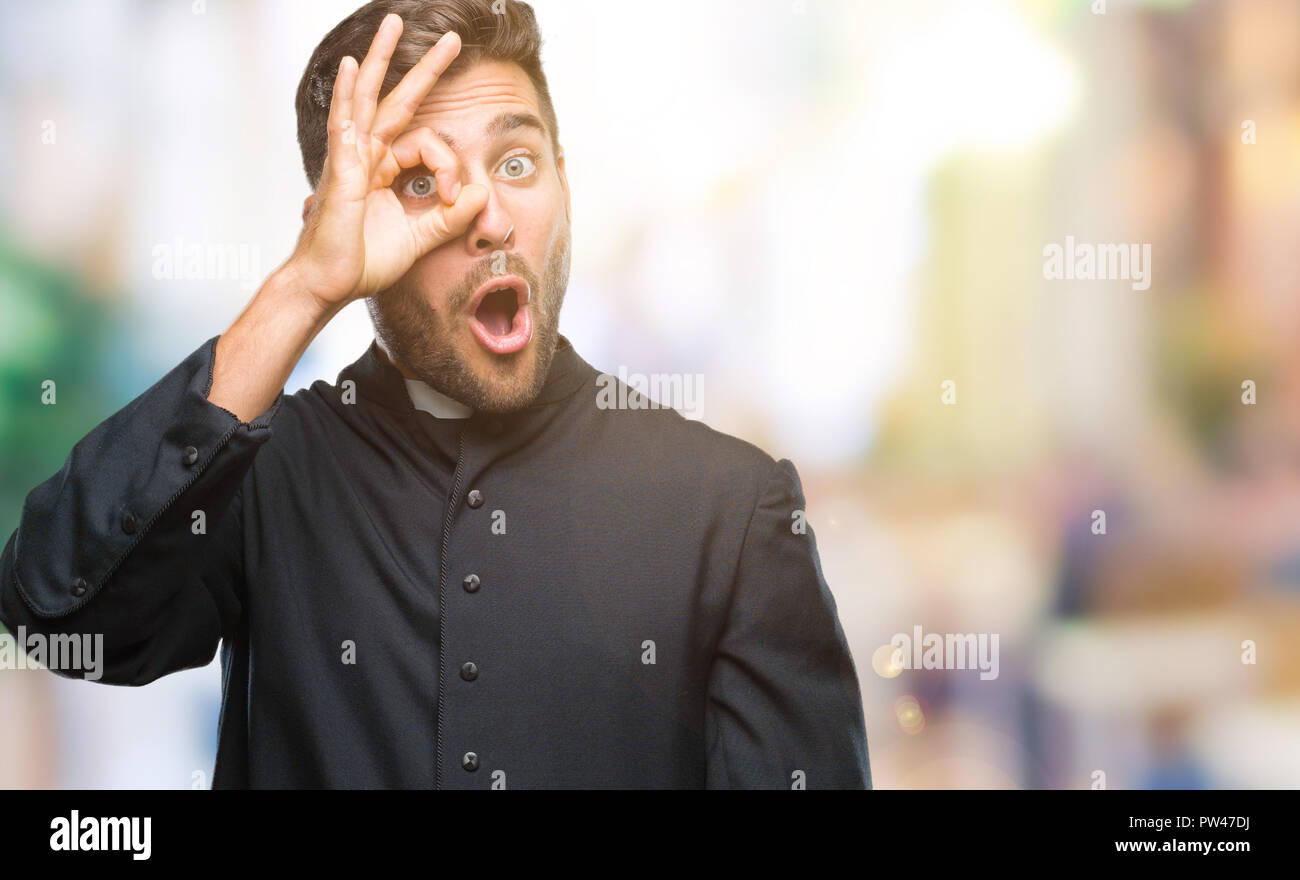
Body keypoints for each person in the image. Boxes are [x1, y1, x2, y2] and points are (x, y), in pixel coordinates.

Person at [0, 0, 871, 789]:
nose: (486, 216)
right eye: (422, 183)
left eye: (518, 162)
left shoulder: (730, 511)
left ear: (565, 182)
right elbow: (56, 610)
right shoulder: (265, 476)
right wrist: (302, 290)